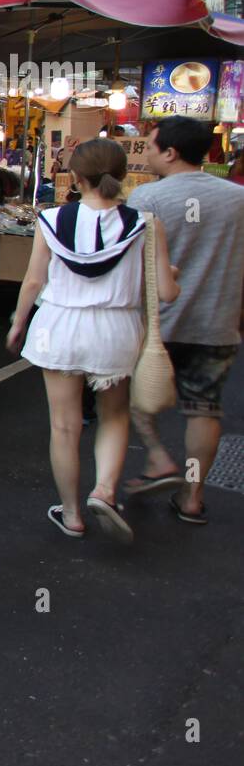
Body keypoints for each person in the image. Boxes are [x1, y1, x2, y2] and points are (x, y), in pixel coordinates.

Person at [8, 138, 178, 542]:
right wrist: (176, 275)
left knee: (64, 426)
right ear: (121, 176)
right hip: (115, 331)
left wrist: (19, 321)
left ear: (76, 178)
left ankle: (71, 515)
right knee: (114, 415)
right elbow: (167, 293)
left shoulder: (50, 220)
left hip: (59, 327)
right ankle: (103, 491)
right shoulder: (145, 223)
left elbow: (34, 279)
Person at [125, 118, 244, 525]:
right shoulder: (237, 198)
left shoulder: (149, 197)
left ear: (170, 152)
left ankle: (157, 456)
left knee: (131, 396)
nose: (149, 152)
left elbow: (130, 261)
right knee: (204, 409)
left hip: (160, 324)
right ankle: (192, 496)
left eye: (152, 146)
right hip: (218, 322)